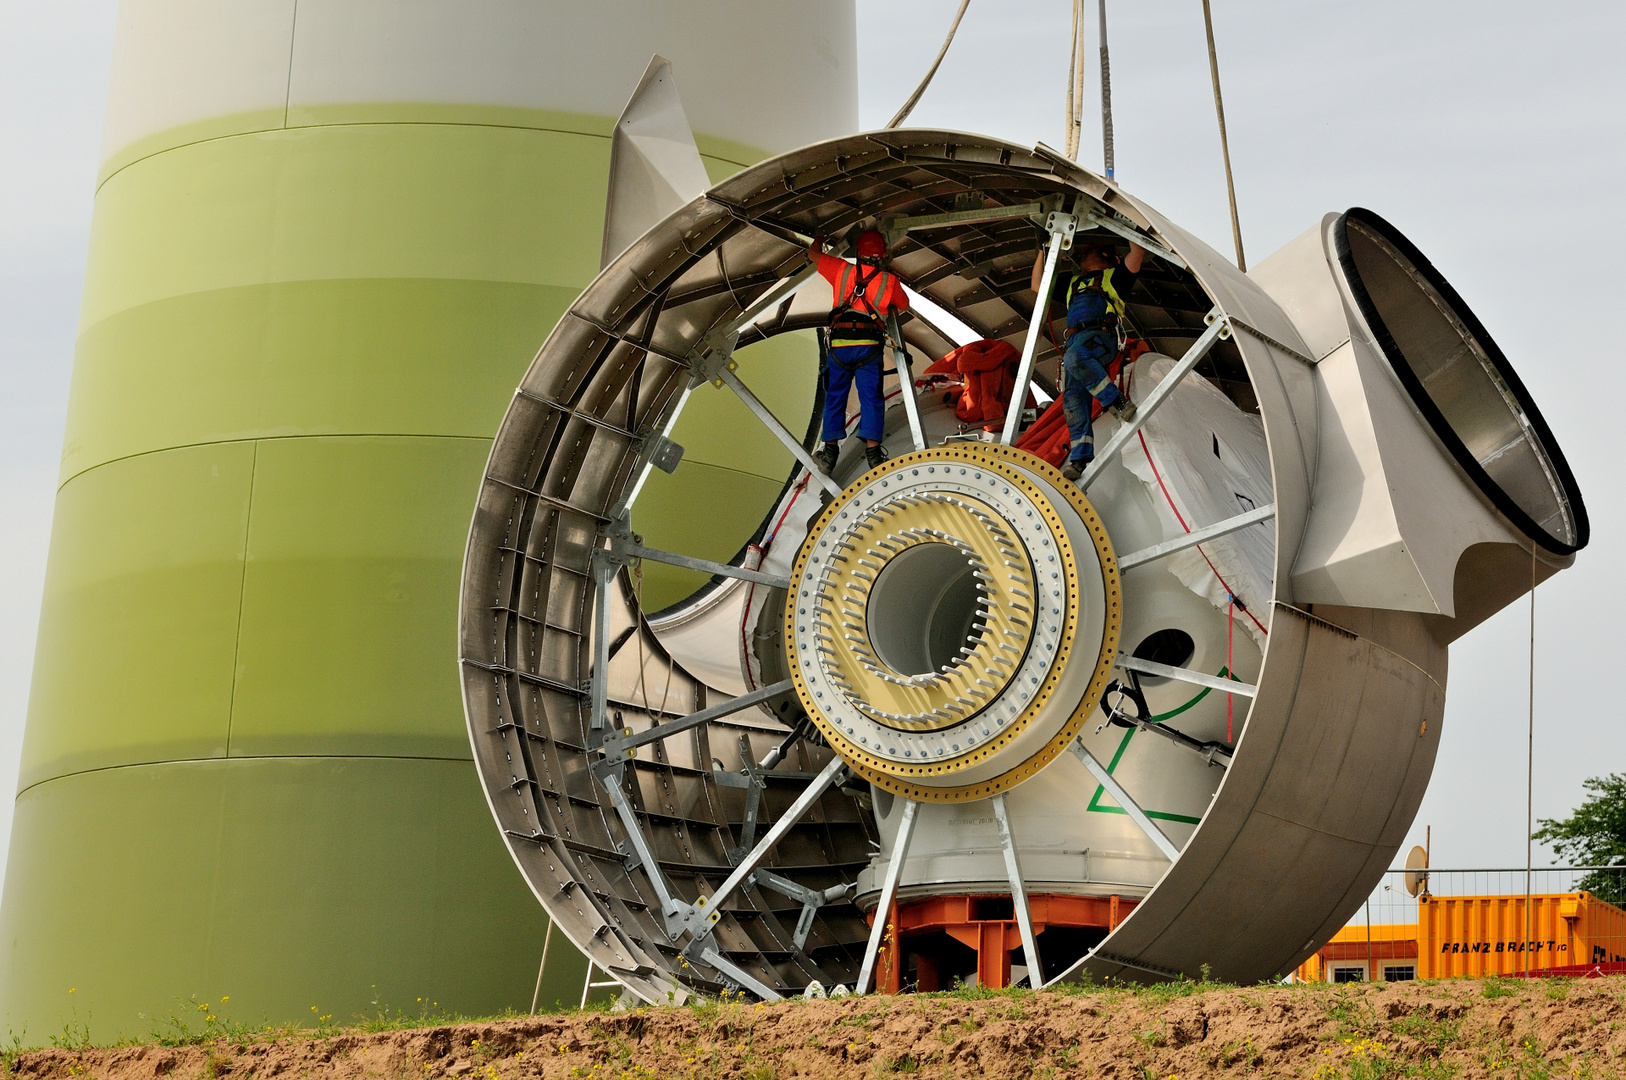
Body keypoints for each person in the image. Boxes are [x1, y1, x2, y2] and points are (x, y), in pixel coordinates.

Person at [1031, 239, 1145, 480]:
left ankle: (1117, 402)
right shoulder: (1073, 283)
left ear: (1108, 258)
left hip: (1101, 338)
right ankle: (1080, 459)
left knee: (1074, 358)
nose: (1084, 256)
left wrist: (1132, 228)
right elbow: (1037, 285)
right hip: (1076, 341)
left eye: (1092, 252)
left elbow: (1138, 251)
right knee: (1072, 401)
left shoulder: (1115, 277)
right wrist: (1042, 249)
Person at [808, 229, 910, 474]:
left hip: (840, 347)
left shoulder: (841, 270)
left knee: (835, 397)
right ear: (882, 256)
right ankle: (874, 456)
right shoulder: (888, 281)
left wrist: (820, 237)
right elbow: (904, 305)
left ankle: (829, 456)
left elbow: (812, 254)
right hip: (868, 348)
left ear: (858, 252)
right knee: (871, 399)